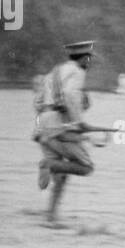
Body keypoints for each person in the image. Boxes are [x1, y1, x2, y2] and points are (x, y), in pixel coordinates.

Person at [34, 40, 100, 225]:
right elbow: (71, 95)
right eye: (89, 59)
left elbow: (38, 101)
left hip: (43, 125)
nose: (89, 63)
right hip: (60, 126)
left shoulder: (54, 72)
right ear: (85, 58)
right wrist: (78, 122)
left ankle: (50, 216)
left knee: (61, 174)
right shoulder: (77, 72)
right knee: (87, 167)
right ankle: (47, 165)